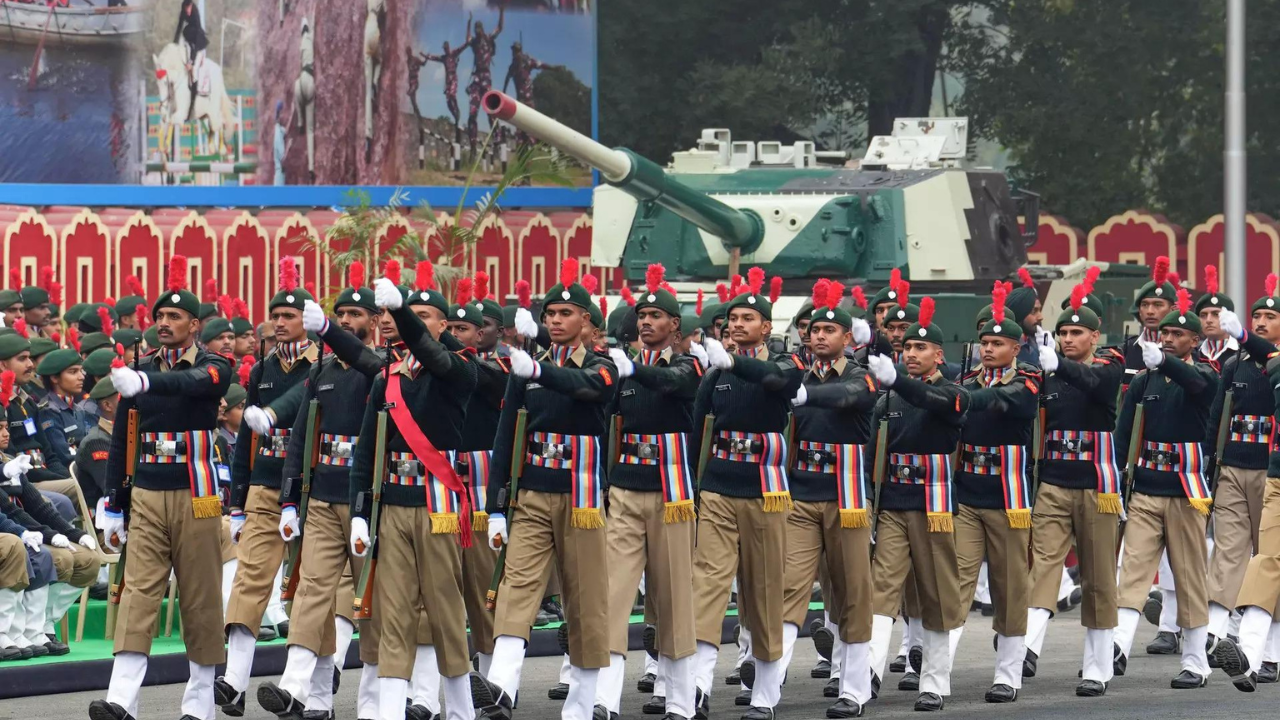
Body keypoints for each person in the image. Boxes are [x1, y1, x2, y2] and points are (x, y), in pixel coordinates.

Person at [89, 255, 232, 720]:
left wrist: (147, 380)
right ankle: (120, 700)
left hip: (200, 492)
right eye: (159, 318)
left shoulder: (214, 365)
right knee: (138, 593)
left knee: (201, 596)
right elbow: (121, 441)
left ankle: (199, 704)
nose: (164, 324)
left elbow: (194, 384)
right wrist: (113, 502)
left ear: (195, 324)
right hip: (148, 490)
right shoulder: (140, 367)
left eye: (174, 317)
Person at [473, 259, 616, 720]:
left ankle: (581, 702)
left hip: (583, 498)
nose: (555, 320)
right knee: (516, 588)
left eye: (565, 313)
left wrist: (536, 369)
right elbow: (503, 438)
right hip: (532, 493)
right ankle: (500, 688)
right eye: (550, 313)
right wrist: (497, 505)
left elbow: (588, 388)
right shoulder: (525, 368)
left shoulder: (605, 364)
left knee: (586, 599)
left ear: (587, 322)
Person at [350, 262, 478, 720]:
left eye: (425, 315)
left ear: (444, 326)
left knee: (444, 610)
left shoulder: (460, 367)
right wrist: (361, 512)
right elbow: (367, 450)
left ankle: (461, 708)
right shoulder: (389, 375)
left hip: (437, 505)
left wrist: (401, 310)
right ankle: (389, 710)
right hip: (391, 504)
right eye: (410, 314)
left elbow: (433, 354)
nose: (413, 323)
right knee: (393, 613)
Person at [257, 262, 384, 720]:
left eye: (356, 313)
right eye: (341, 313)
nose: (348, 320)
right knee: (310, 592)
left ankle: (373, 703)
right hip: (324, 498)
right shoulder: (323, 369)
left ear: (374, 321)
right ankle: (303, 693)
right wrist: (290, 499)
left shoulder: (382, 368)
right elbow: (300, 438)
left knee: (370, 603)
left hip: (369, 502)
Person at [685, 268, 803, 720]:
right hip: (718, 488)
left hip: (766, 492)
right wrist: (694, 489)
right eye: (732, 318)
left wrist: (734, 362)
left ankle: (765, 694)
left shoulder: (787, 364)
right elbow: (698, 433)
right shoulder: (715, 374)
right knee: (708, 587)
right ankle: (696, 686)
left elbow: (777, 382)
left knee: (763, 590)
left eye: (747, 318)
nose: (736, 324)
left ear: (767, 327)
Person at [593, 265, 703, 720]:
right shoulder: (622, 368)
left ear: (674, 325)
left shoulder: (690, 363)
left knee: (674, 598)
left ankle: (680, 698)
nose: (646, 322)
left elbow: (676, 383)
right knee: (614, 593)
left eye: (656, 316)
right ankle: (605, 697)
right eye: (641, 315)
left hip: (672, 493)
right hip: (626, 488)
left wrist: (633, 367)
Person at [218, 261, 319, 715]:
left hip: (315, 489)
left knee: (313, 587)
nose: (279, 323)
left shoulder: (326, 365)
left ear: (308, 322)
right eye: (275, 315)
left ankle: (313, 691)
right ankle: (234, 682)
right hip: (265, 486)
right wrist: (237, 500)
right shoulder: (261, 369)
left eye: (288, 316)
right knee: (250, 578)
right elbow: (247, 441)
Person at [865, 296, 971, 712]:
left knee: (937, 594)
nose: (911, 353)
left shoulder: (953, 391)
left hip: (935, 505)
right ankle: (864, 677)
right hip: (894, 501)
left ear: (938, 355)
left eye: (920, 348)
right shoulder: (888, 398)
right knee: (881, 590)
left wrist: (897, 382)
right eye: (907, 347)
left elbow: (935, 404)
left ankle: (934, 680)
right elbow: (875, 447)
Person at [777, 279, 877, 718]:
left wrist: (806, 395)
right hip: (801, 495)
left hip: (848, 499)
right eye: (814, 329)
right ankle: (766, 688)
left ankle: (854, 689)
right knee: (787, 588)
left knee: (853, 593)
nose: (819, 335)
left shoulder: (861, 375)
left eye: (829, 330)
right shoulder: (794, 375)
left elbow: (848, 397)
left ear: (847, 338)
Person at [1112, 288, 1218, 689]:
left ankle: (1195, 661)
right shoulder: (1143, 381)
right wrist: (1115, 486)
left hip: (1186, 491)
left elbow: (1196, 385)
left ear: (1195, 341)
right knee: (1132, 570)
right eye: (1166, 333)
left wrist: (1169, 365)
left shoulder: (1206, 375)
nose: (1169, 338)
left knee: (1190, 576)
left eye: (1179, 334)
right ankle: (1116, 648)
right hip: (1145, 489)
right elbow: (1124, 435)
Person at [1023, 285, 1123, 693]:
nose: (1068, 340)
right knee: (1043, 564)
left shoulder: (1110, 364)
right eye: (1063, 333)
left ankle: (1098, 667)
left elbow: (1097, 383)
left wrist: (1058, 367)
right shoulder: (1048, 370)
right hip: (1055, 481)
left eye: (1076, 334)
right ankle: (1024, 649)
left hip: (1097, 484)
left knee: (1098, 578)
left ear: (1095, 336)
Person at [951, 284, 1041, 703]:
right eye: (984, 342)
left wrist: (961, 398)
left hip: (1009, 500)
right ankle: (936, 673)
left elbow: (1008, 404)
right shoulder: (965, 378)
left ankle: (1007, 674)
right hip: (968, 496)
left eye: (997, 343)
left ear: (1017, 348)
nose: (988, 349)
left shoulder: (1030, 379)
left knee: (1009, 590)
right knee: (955, 583)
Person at [1202, 275, 1277, 654]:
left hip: (1271, 470)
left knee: (1268, 557)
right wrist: (1209, 463)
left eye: (1269, 315)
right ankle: (1212, 637)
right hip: (1233, 465)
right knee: (1229, 549)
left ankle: (1269, 652)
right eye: (1257, 315)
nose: (1262, 321)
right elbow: (1218, 416)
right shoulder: (1234, 364)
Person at [1122, 256, 1176, 386]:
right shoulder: (1126, 350)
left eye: (1158, 305)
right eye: (1145, 305)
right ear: (1139, 311)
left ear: (1172, 310)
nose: (1150, 311)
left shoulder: (1182, 349)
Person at [35, 349, 89, 472]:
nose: (81, 377)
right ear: (54, 378)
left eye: (81, 371)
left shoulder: (77, 408)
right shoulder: (49, 411)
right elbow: (63, 456)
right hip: (69, 472)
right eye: (73, 372)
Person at [73, 377, 119, 513]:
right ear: (107, 406)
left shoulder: (123, 434)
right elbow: (112, 490)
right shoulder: (96, 442)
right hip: (107, 521)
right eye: (125, 399)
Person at [463, 7, 504, 154]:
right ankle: (473, 145)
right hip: (476, 78)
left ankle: (497, 137)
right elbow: (467, 39)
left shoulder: (488, 38)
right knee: (472, 113)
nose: (477, 31)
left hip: (486, 77)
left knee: (490, 110)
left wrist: (501, 11)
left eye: (478, 28)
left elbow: (499, 28)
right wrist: (468, 22)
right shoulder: (473, 42)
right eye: (475, 29)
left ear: (482, 29)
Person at [173, 0, 209, 123]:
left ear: (191, 6)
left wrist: (191, 62)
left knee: (194, 75)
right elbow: (179, 28)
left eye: (189, 8)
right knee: (183, 37)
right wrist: (173, 46)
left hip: (199, 45)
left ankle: (192, 107)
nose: (188, 11)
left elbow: (196, 41)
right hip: (190, 40)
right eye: (186, 9)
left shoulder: (195, 14)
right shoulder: (183, 12)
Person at [1196, 266, 1238, 366]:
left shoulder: (1243, 353)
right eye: (1203, 315)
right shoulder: (1193, 353)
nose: (1208, 320)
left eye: (1216, 314)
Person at [424, 40, 466, 134]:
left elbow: (462, 47)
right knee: (448, 102)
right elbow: (435, 58)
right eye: (444, 49)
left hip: (453, 78)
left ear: (448, 47)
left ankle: (457, 110)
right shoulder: (444, 58)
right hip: (447, 81)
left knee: (452, 95)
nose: (445, 51)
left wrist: (468, 43)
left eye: (446, 49)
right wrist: (427, 57)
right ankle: (455, 115)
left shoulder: (453, 53)